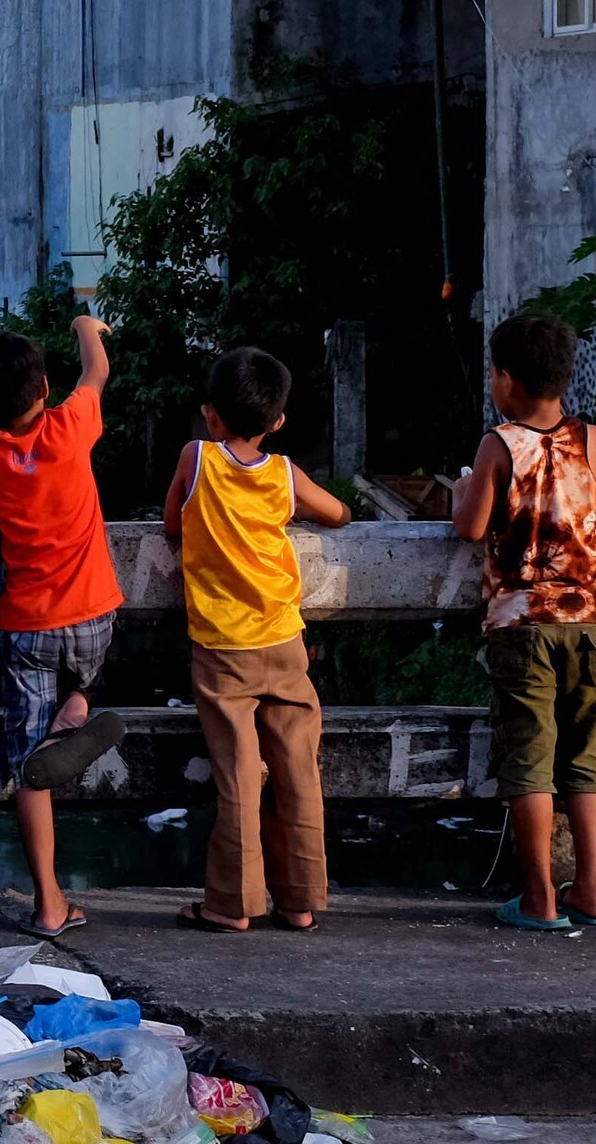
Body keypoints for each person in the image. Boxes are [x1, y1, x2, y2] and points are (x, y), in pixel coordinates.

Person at [162, 346, 351, 934]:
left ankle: (232, 904)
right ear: (277, 421)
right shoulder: (284, 473)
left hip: (222, 647)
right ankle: (300, 902)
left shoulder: (196, 458)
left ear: (210, 415)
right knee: (298, 770)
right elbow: (339, 514)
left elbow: (172, 522)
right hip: (283, 639)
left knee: (240, 773)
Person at [450, 311, 596, 932]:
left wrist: (462, 490)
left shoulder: (499, 444)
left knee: (528, 757)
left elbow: (470, 526)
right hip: (592, 622)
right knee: (586, 753)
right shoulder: (594, 438)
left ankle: (540, 899)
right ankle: (594, 892)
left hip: (523, 623)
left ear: (505, 380)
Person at [0, 316, 127, 938]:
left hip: (26, 627)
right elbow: (97, 371)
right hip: (92, 617)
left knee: (29, 771)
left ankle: (50, 904)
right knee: (108, 646)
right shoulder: (71, 425)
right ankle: (80, 704)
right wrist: (84, 324)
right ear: (44, 389)